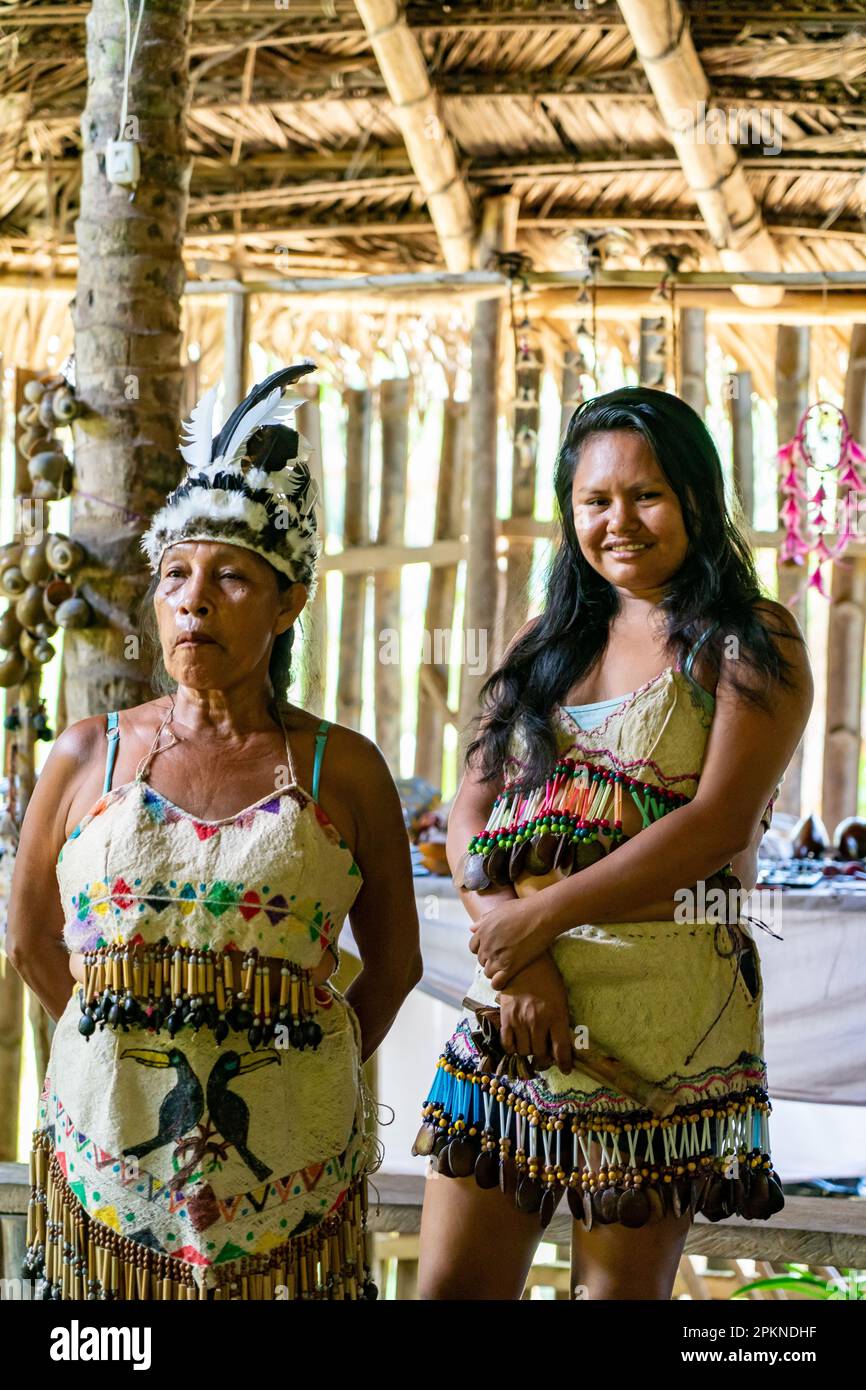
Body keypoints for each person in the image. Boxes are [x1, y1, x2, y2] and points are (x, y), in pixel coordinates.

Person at [8, 363, 422, 1300]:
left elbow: (393, 963)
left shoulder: (341, 770)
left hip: (289, 1167)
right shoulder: (85, 757)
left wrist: (303, 1076)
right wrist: (114, 1049)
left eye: (233, 576)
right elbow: (33, 944)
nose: (195, 598)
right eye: (176, 576)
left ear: (289, 606)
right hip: (113, 1149)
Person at [414, 385, 813, 1301]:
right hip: (513, 1005)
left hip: (659, 1024)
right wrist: (518, 960)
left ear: (698, 501)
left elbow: (715, 826)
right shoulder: (541, 641)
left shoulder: (749, 641)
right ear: (571, 512)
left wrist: (538, 918)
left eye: (647, 495)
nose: (619, 521)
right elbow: (470, 819)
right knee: (450, 1294)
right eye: (596, 501)